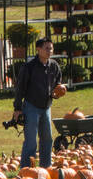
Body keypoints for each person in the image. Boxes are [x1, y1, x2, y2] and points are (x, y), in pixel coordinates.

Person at [11, 37, 66, 169]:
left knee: (47, 138)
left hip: (46, 107)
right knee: (31, 141)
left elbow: (57, 85)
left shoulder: (54, 66)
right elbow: (20, 89)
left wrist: (59, 91)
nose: (49, 51)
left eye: (51, 48)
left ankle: (45, 167)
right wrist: (18, 109)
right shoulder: (29, 67)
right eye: (46, 48)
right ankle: (26, 169)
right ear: (38, 49)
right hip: (31, 107)